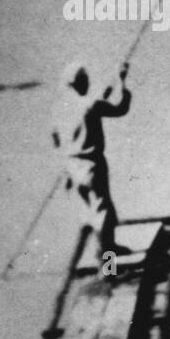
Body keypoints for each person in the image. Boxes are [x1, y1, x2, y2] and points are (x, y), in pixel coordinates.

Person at [52, 60, 141, 265]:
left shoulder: (60, 110)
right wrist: (122, 83)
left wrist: (65, 167)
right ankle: (107, 266)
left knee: (91, 212)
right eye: (86, 80)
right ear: (80, 82)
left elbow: (55, 137)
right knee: (104, 214)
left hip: (73, 169)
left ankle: (107, 249)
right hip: (92, 166)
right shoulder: (90, 105)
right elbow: (120, 108)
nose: (88, 83)